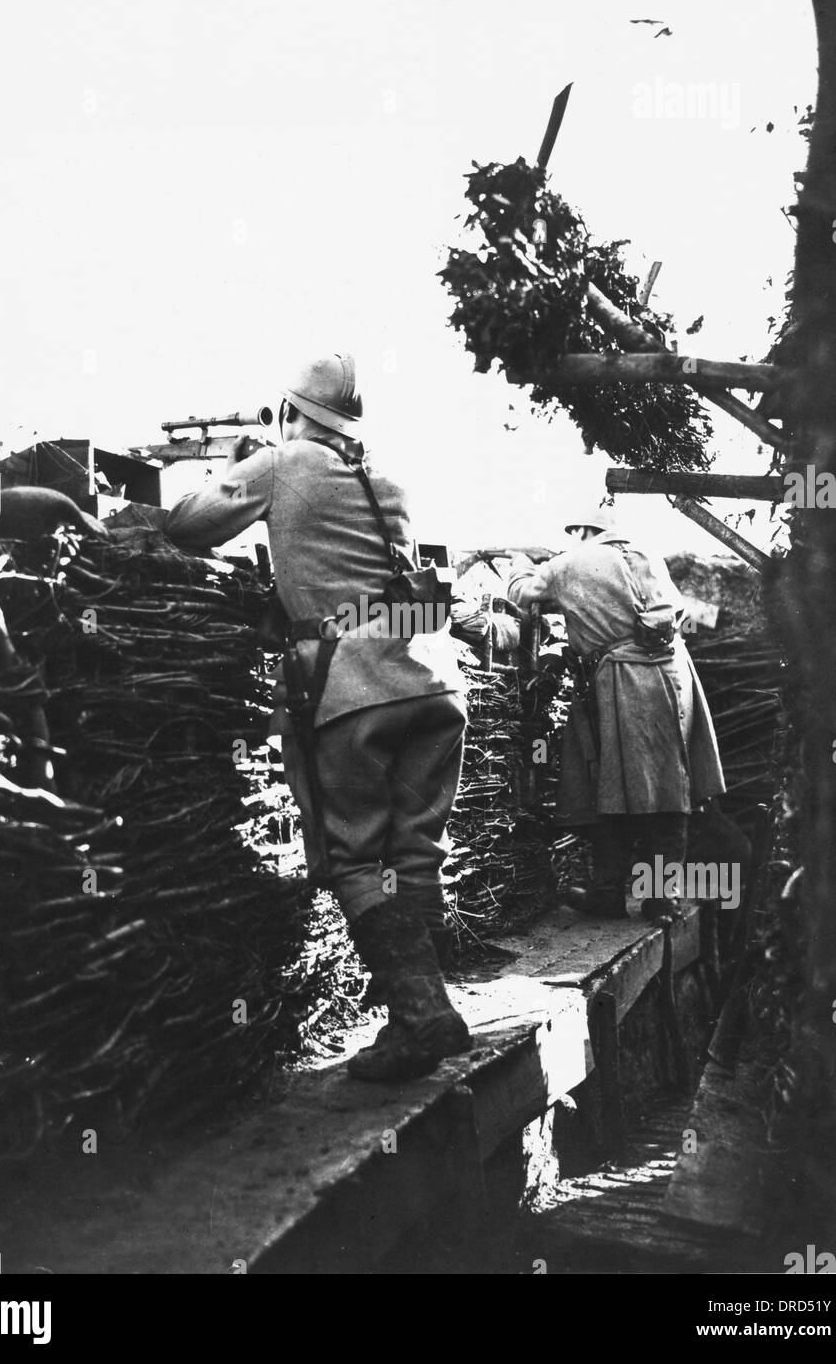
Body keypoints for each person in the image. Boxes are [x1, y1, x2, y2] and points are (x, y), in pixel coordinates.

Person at [165, 353, 472, 1080]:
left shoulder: (282, 462)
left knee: (355, 857)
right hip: (430, 681)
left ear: (289, 411)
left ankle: (422, 1018)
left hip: (355, 689)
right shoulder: (386, 477)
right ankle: (424, 1011)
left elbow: (187, 526)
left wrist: (236, 469)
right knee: (415, 855)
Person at [508, 508, 725, 922]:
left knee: (612, 785)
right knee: (670, 788)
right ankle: (662, 898)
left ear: (582, 530)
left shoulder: (569, 563)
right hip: (674, 677)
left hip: (622, 681)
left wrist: (522, 564)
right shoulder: (646, 554)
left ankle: (608, 893)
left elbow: (521, 593)